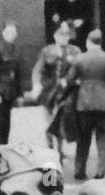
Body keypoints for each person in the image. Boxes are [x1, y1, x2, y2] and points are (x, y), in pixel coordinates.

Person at [65, 29, 105, 180]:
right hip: (103, 104)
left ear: (88, 42)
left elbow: (69, 80)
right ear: (100, 43)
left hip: (84, 104)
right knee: (102, 138)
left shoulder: (79, 59)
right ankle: (100, 171)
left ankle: (79, 170)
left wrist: (68, 92)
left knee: (83, 138)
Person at [31, 22, 81, 163]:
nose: (64, 37)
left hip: (66, 93)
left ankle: (59, 151)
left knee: (60, 123)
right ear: (55, 36)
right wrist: (36, 85)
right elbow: (37, 70)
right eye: (61, 34)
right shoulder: (48, 51)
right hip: (49, 94)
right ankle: (50, 151)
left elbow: (80, 69)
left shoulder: (75, 51)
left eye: (66, 34)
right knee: (49, 123)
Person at [0, 22, 25, 163]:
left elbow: (18, 73)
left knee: (6, 124)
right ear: (3, 33)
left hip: (10, 92)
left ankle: (3, 152)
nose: (11, 35)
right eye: (9, 32)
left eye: (14, 32)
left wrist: (20, 94)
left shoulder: (15, 50)